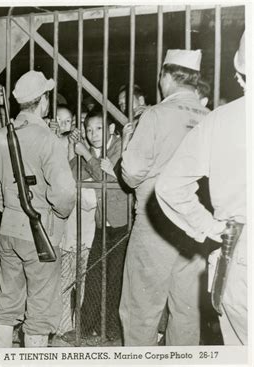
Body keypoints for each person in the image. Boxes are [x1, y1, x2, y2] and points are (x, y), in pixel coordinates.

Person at [156, 32, 247, 345]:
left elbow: (168, 185)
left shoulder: (221, 120)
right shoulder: (207, 114)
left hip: (241, 251)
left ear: (238, 75)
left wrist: (212, 227)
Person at [119, 49, 209, 346]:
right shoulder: (211, 118)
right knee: (186, 314)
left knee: (141, 314)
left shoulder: (155, 115)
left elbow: (131, 174)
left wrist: (127, 145)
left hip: (155, 223)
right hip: (196, 229)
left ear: (166, 77)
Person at [0, 71, 76, 347]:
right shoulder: (48, 139)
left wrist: (10, 209)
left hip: (8, 230)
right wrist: (55, 214)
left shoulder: (1, 136)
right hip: (40, 234)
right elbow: (65, 192)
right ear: (43, 101)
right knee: (40, 308)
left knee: (7, 302)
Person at [69, 110, 128, 340]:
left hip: (122, 224)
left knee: (114, 280)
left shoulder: (121, 146)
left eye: (99, 128)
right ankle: (85, 329)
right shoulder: (96, 150)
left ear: (112, 129)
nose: (93, 134)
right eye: (89, 129)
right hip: (103, 223)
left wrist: (87, 155)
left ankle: (111, 330)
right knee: (94, 275)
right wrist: (77, 150)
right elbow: (74, 173)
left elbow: (108, 182)